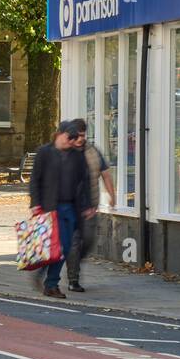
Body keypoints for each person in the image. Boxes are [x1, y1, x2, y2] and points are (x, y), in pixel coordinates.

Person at [28, 120, 93, 298]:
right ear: (59, 134)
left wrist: (87, 205)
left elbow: (84, 181)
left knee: (63, 248)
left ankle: (47, 278)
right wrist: (35, 203)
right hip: (51, 207)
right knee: (58, 247)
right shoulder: (45, 153)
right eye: (68, 137)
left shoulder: (77, 156)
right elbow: (35, 179)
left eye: (74, 139)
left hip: (71, 207)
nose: (70, 142)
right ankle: (51, 284)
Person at [65, 117, 114, 293]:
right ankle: (73, 279)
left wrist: (111, 195)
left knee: (88, 241)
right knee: (74, 243)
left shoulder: (92, 152)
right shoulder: (65, 151)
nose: (80, 139)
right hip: (69, 207)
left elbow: (105, 174)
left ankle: (73, 262)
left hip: (90, 207)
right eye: (77, 136)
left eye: (83, 135)